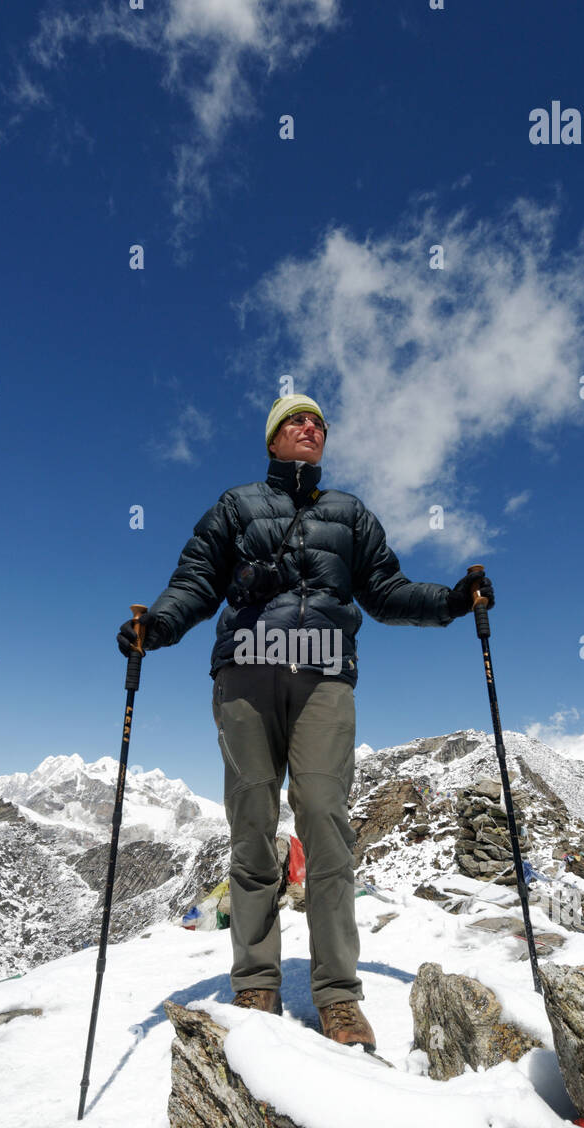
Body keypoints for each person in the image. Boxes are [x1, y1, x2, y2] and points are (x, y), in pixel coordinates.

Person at [117, 393, 494, 1052]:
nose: (308, 428)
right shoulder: (235, 507)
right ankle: (256, 982)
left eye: (318, 423)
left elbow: (385, 592)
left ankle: (337, 996)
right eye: (295, 420)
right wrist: (160, 627)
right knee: (253, 823)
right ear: (271, 440)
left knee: (324, 820)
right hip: (244, 672)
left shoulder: (348, 514)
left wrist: (451, 602)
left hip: (324, 676)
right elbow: (195, 584)